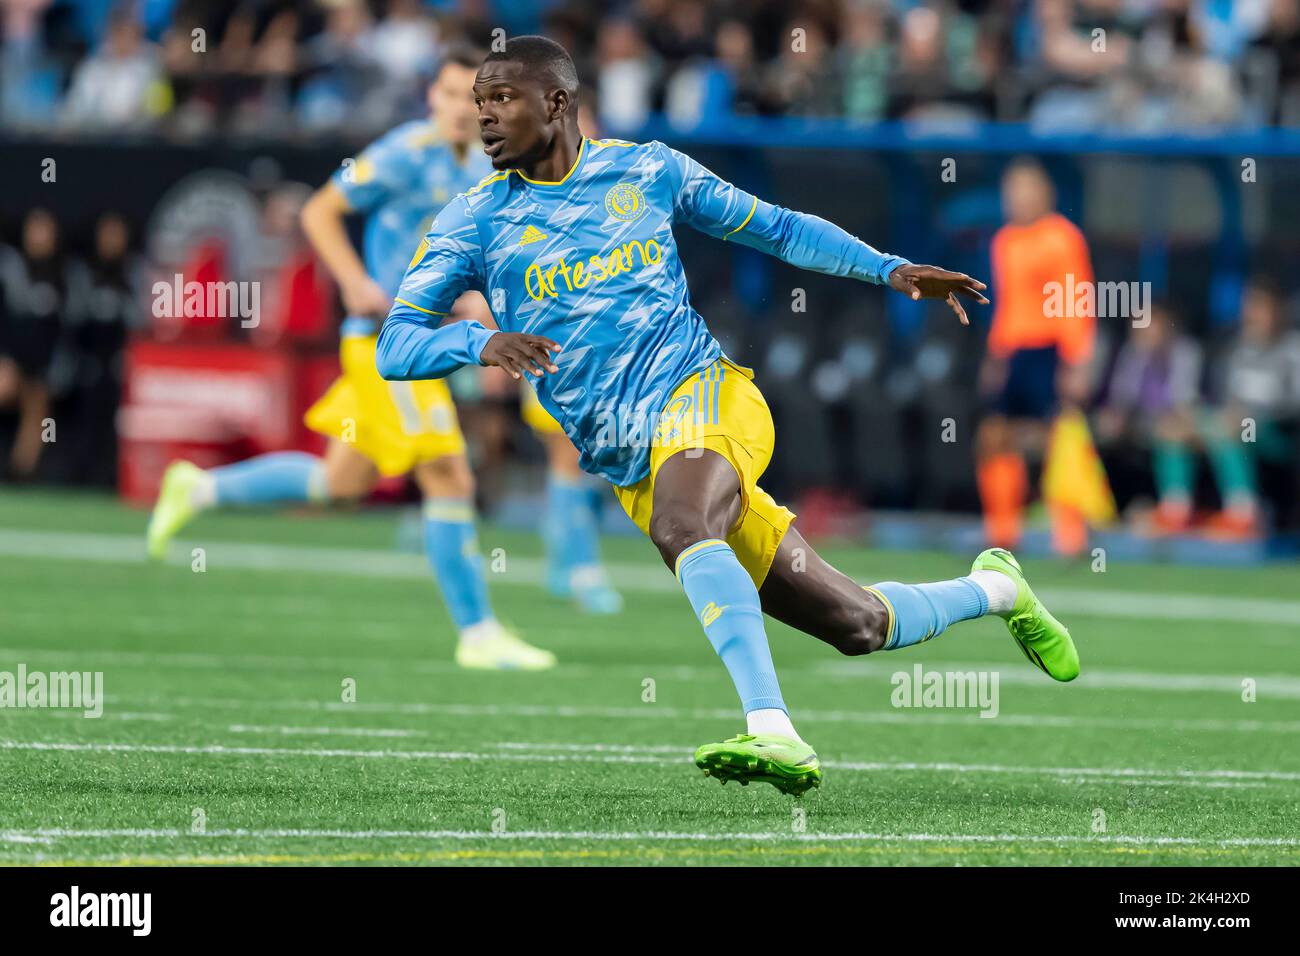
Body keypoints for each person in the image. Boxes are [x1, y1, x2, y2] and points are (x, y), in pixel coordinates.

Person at [376, 36, 1078, 795]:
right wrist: (481, 341)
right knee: (857, 625)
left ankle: (772, 729)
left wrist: (891, 269)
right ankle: (999, 590)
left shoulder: (647, 170)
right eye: (478, 102)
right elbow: (397, 341)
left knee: (684, 526)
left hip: (705, 397)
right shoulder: (473, 219)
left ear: (557, 102)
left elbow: (774, 227)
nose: (483, 118)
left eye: (500, 99)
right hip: (630, 460)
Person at [146, 48, 555, 670]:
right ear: (431, 99)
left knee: (339, 485)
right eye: (445, 94)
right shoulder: (403, 153)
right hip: (386, 341)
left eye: (469, 98)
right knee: (448, 474)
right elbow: (320, 210)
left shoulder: (485, 167)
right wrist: (353, 279)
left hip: (426, 337)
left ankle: (199, 487)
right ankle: (478, 633)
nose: (456, 109)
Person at [978, 158, 1096, 555]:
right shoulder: (1004, 240)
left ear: (1046, 194)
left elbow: (1075, 299)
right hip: (1015, 350)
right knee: (994, 438)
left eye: (1026, 189)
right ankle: (1002, 535)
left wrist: (1075, 361)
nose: (1017, 198)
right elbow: (1006, 304)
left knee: (1059, 441)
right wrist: (996, 356)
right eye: (1011, 190)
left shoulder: (1062, 238)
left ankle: (1071, 537)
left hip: (1050, 349)